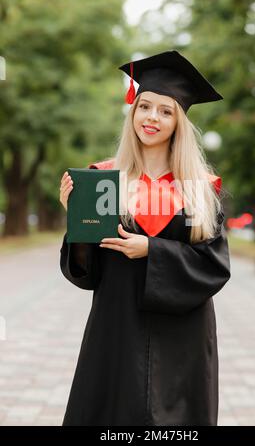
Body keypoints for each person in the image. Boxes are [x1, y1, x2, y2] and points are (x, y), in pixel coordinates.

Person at [59, 50, 231, 426]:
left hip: (183, 334)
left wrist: (151, 249)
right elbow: (86, 274)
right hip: (116, 327)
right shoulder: (104, 181)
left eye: (166, 111)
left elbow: (215, 267)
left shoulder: (200, 189)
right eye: (145, 107)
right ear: (132, 112)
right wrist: (76, 218)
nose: (152, 118)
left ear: (179, 122)